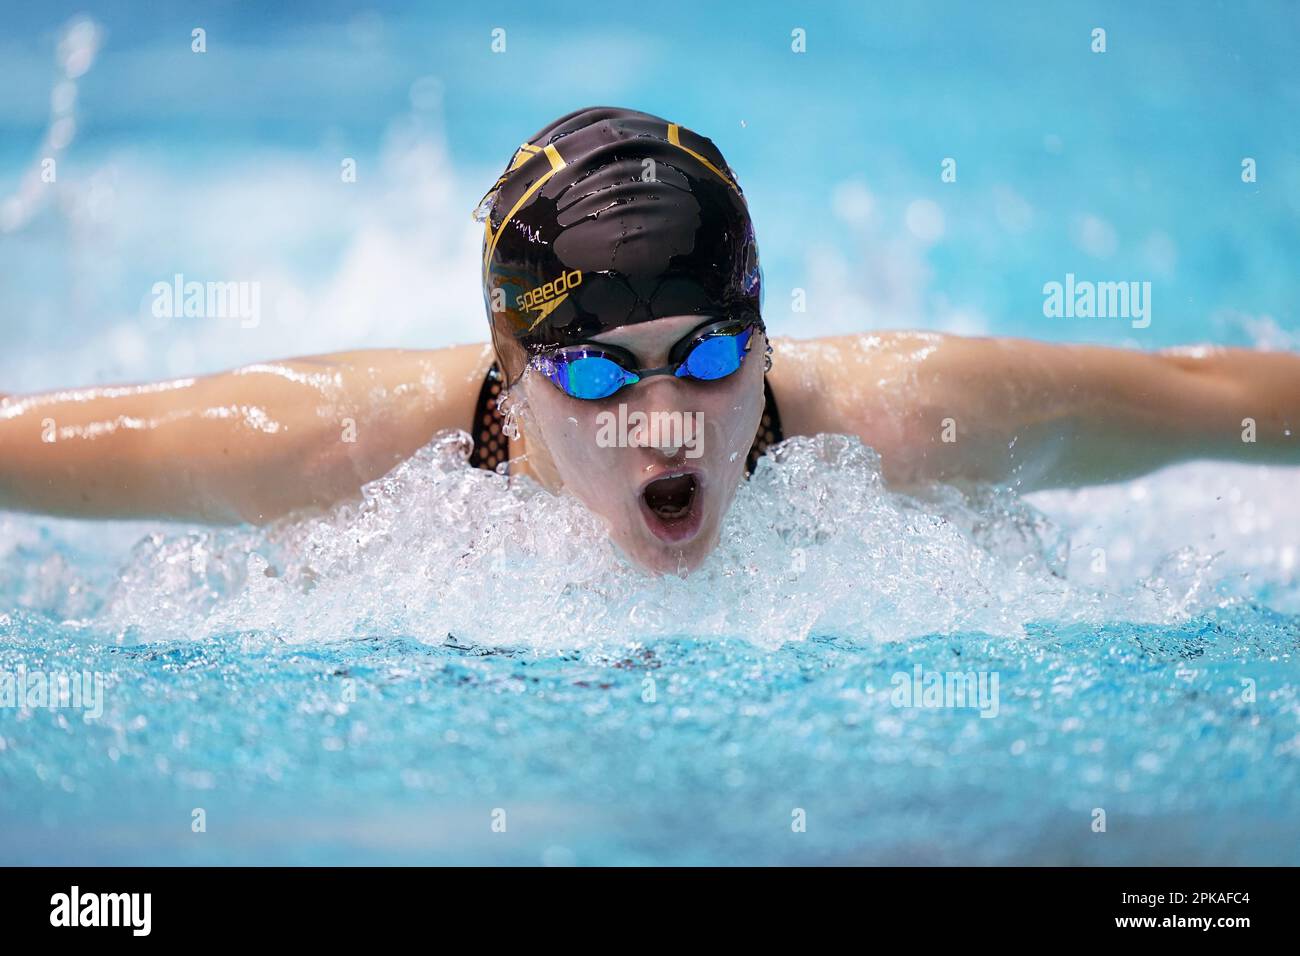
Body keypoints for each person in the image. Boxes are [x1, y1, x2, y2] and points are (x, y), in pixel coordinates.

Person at [1, 106, 1297, 575]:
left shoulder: (901, 418)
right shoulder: (342, 451)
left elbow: (1200, 397)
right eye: (601, 372)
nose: (669, 420)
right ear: (512, 377)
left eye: (717, 356)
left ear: (767, 334)